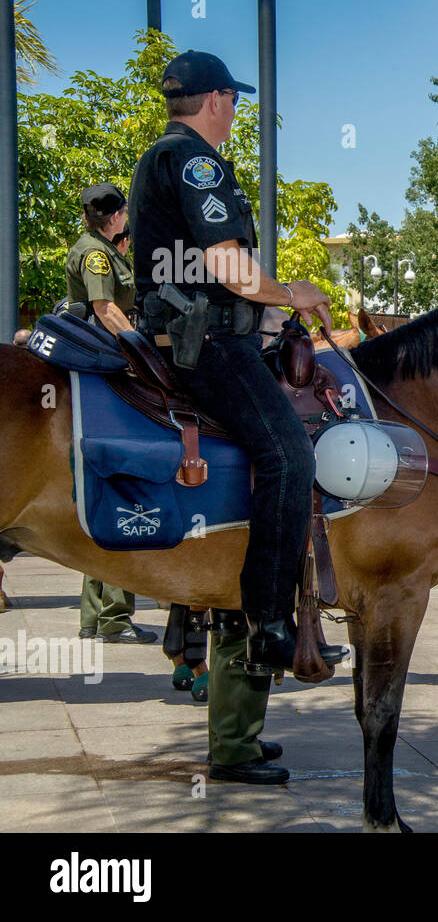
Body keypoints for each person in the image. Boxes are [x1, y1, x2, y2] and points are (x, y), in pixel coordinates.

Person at [129, 50, 341, 784]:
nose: (235, 110)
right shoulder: (197, 162)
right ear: (215, 99)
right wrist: (292, 293)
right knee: (291, 457)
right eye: (232, 98)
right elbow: (226, 266)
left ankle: (239, 723)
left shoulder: (165, 156)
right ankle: (269, 617)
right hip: (206, 341)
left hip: (192, 332)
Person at [65, 182, 158, 646]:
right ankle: (115, 618)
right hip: (108, 363)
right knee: (127, 484)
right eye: (124, 212)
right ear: (116, 216)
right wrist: (139, 352)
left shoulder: (97, 247)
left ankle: (93, 617)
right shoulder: (98, 255)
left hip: (102, 360)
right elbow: (106, 310)